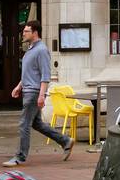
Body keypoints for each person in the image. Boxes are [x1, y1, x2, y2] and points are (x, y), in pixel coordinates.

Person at [4, 19, 72, 167]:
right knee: (37, 124)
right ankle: (65, 140)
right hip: (28, 90)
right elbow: (30, 73)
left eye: (26, 31)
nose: (23, 33)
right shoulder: (30, 49)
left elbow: (45, 75)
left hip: (33, 93)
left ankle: (20, 157)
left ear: (35, 32)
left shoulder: (41, 50)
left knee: (24, 124)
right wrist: (19, 86)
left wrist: (42, 95)